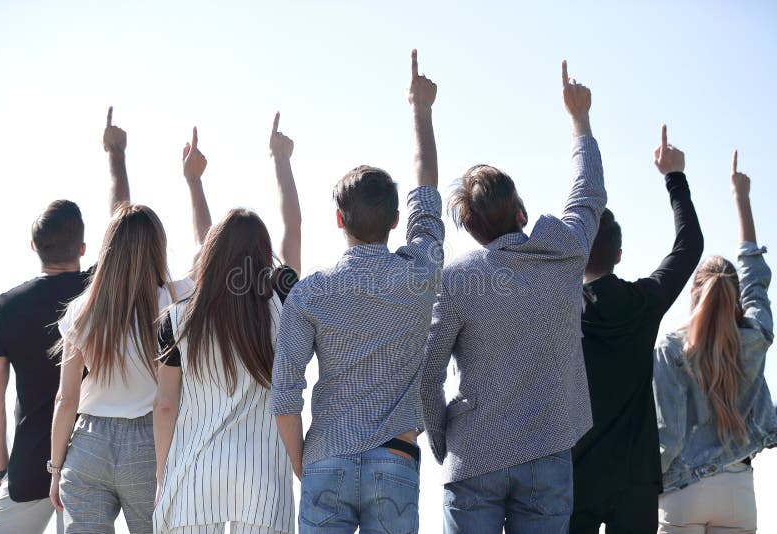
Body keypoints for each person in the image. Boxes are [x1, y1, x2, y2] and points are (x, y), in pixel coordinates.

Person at [420, 60, 605, 533]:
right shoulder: (565, 252)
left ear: (475, 231)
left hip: (473, 455)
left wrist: (445, 442)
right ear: (521, 212)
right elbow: (588, 194)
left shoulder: (457, 279)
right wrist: (579, 119)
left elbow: (428, 372)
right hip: (547, 454)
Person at [271, 49, 443, 534]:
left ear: (339, 220)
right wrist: (421, 111)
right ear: (395, 221)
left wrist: (304, 464)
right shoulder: (420, 271)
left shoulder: (309, 295)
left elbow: (285, 393)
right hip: (396, 456)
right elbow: (427, 195)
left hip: (327, 456)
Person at [47, 120, 207, 533]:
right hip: (149, 442)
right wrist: (194, 183)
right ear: (157, 247)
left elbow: (66, 399)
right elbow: (207, 252)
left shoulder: (83, 309)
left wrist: (55, 467)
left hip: (87, 441)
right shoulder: (172, 300)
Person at [0, 106, 131, 534]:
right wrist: (116, 155)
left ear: (33, 245)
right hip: (91, 458)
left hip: (29, 463)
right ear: (83, 248)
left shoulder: (1, 309)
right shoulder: (98, 290)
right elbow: (123, 221)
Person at [152, 113, 301, 534]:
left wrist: (163, 475)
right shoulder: (285, 304)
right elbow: (293, 229)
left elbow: (165, 406)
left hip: (192, 484)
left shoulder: (178, 320)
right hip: (264, 486)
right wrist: (281, 160)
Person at [569, 126, 704, 534]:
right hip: (635, 474)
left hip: (576, 471)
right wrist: (674, 177)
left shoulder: (559, 310)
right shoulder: (642, 304)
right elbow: (689, 245)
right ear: (620, 254)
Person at [654, 152, 777, 533]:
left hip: (681, 492)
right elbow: (756, 278)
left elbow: (668, 438)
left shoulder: (670, 349)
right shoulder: (755, 338)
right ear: (736, 297)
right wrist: (741, 197)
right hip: (738, 492)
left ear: (694, 293)